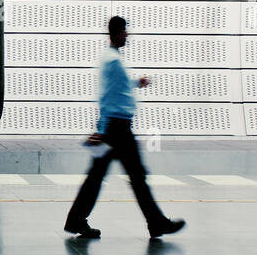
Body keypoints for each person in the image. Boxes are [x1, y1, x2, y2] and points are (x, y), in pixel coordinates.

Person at [65, 15, 185, 241]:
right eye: (125, 31)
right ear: (117, 33)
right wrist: (101, 129)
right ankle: (156, 223)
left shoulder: (111, 59)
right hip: (116, 130)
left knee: (98, 177)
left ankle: (77, 220)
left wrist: (135, 83)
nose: (127, 35)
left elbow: (116, 88)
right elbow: (107, 97)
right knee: (136, 176)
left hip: (113, 128)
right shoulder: (113, 61)